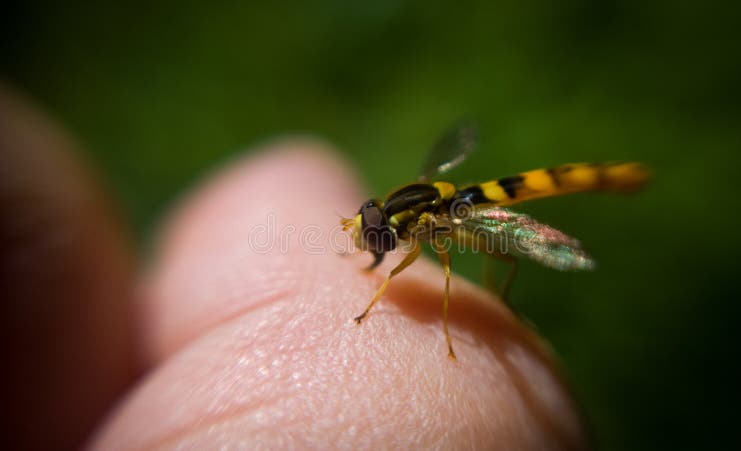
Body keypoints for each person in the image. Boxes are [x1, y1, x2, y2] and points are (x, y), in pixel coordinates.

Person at [0, 84, 587, 450]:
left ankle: (569, 210)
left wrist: (429, 328)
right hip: (451, 203)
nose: (368, 229)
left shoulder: (433, 226)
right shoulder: (396, 216)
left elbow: (440, 269)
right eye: (371, 222)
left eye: (373, 227)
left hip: (473, 207)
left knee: (493, 254)